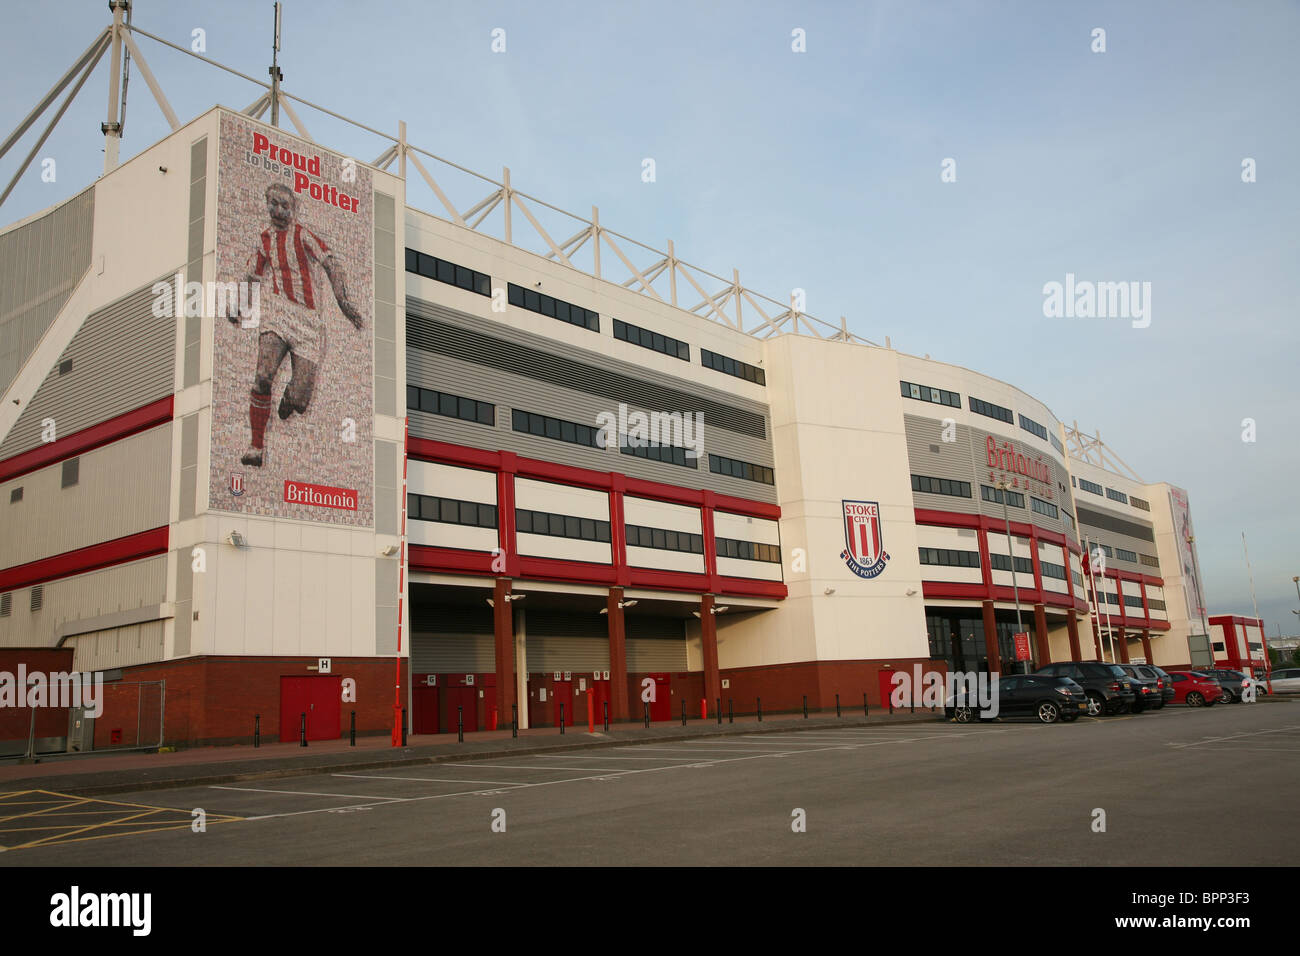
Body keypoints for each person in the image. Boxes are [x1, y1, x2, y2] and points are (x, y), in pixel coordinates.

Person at [232, 182, 364, 467]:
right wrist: (238, 305)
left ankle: (292, 397)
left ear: (293, 209)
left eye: (285, 205)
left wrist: (343, 301)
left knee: (302, 401)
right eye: (274, 204)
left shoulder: (303, 236)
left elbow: (330, 263)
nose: (279, 210)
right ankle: (256, 447)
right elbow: (252, 277)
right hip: (279, 314)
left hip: (308, 323)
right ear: (266, 204)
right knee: (263, 376)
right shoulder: (264, 240)